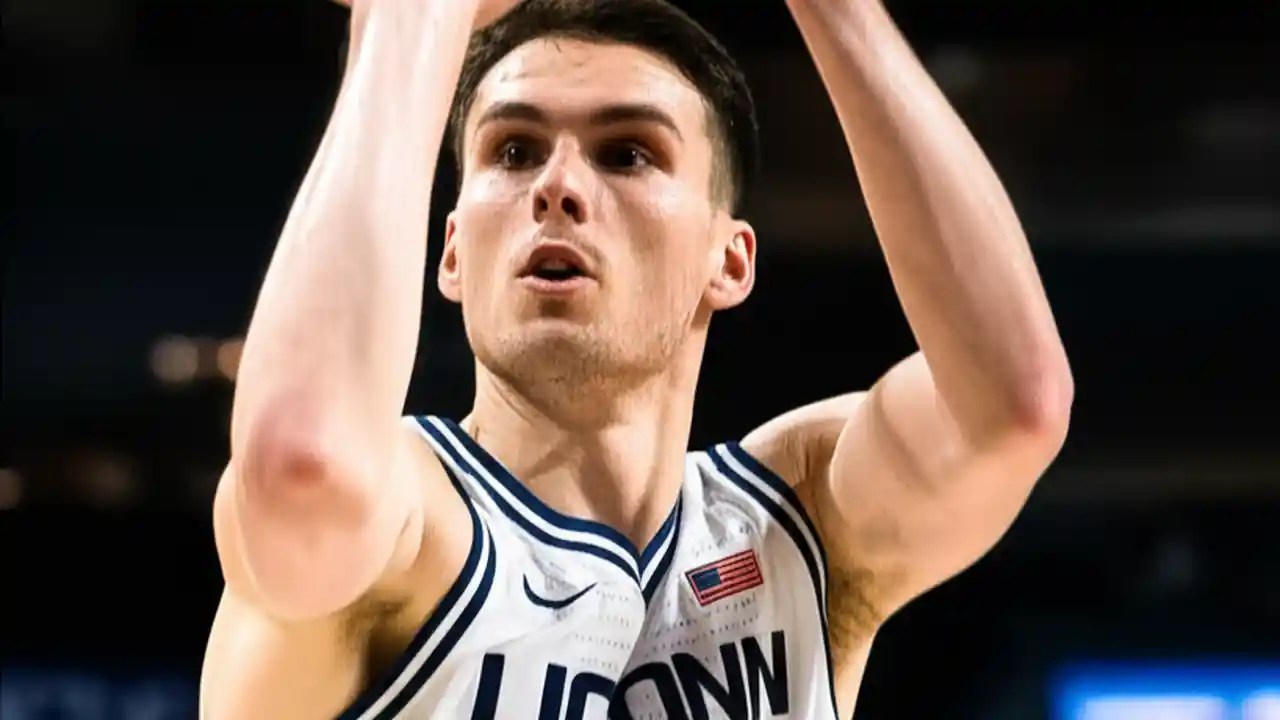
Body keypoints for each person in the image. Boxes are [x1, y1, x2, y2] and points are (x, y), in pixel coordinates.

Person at [199, 0, 1074, 717]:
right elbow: (301, 464)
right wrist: (412, 18)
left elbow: (1011, 406)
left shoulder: (792, 524)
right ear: (452, 252)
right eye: (512, 150)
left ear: (727, 261)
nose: (558, 186)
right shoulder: (410, 531)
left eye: (628, 153)